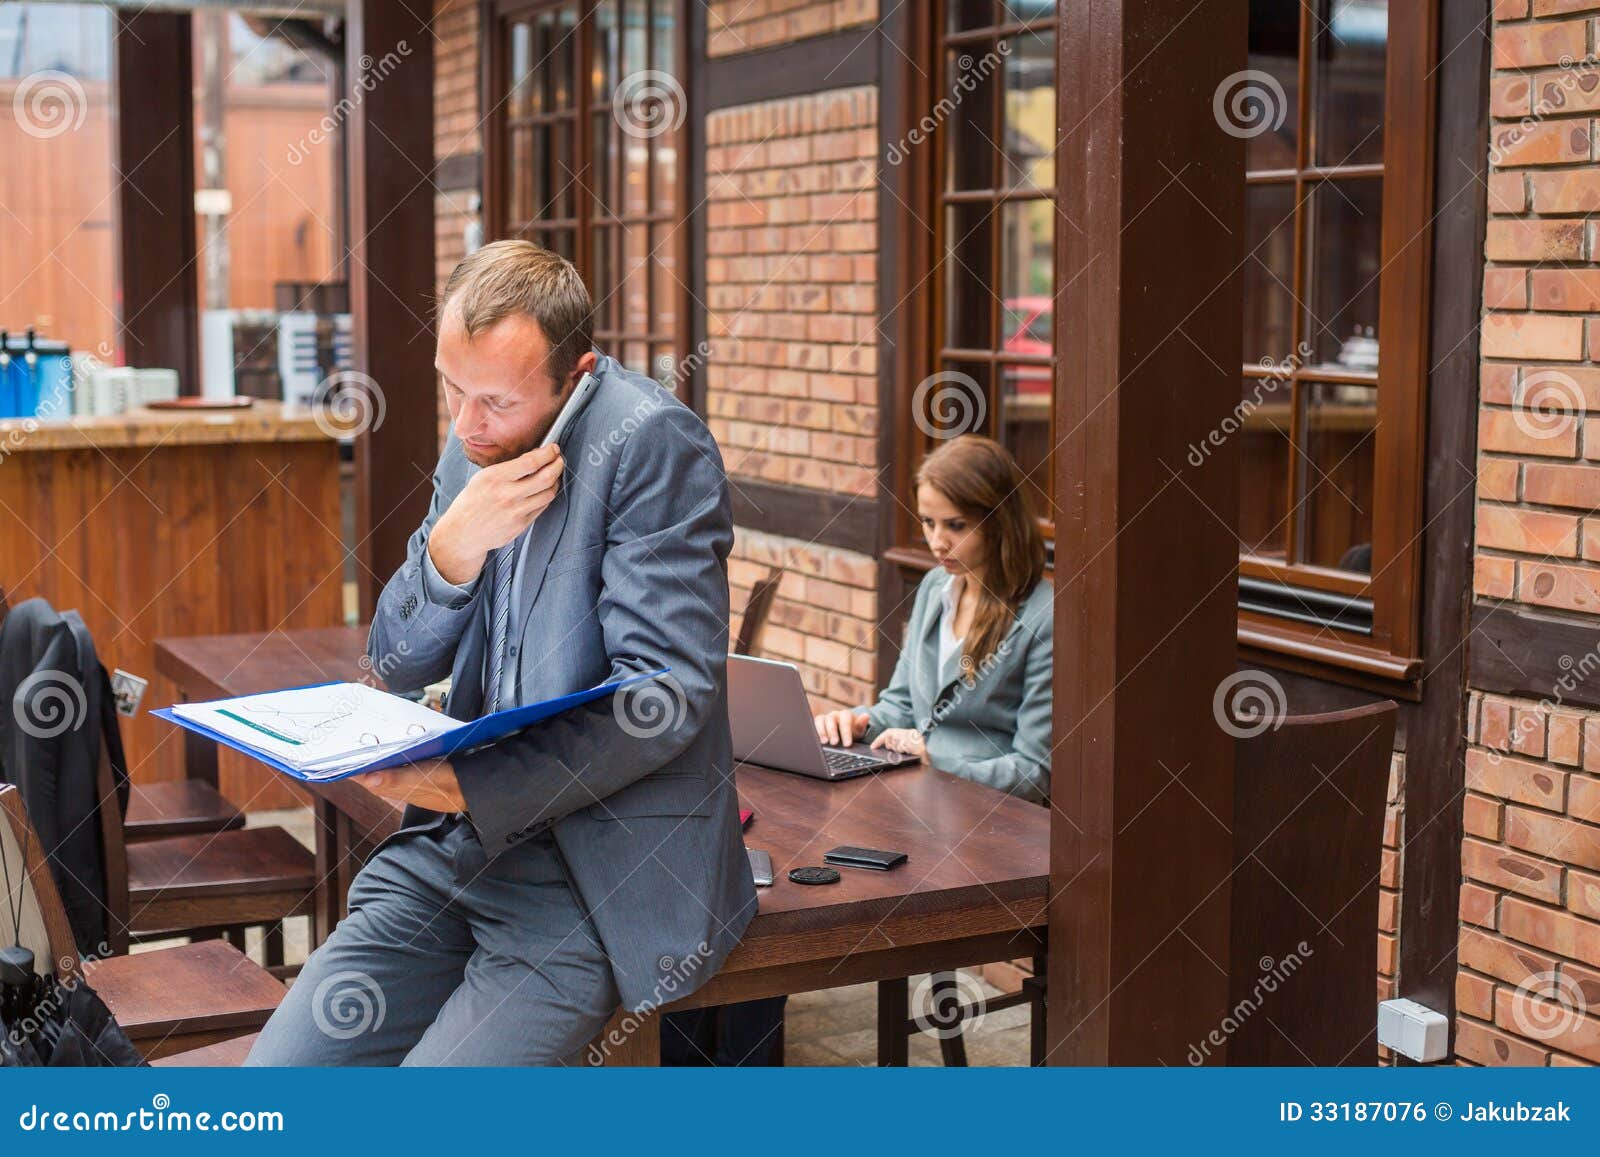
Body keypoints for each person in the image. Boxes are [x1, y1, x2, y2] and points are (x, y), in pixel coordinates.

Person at [247, 240, 756, 1066]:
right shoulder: (472, 443)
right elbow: (398, 658)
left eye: (493, 400)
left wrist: (463, 782)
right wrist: (450, 553)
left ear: (577, 373)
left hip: (590, 883)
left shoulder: (652, 443)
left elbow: (661, 695)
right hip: (452, 858)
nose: (465, 423)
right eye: (451, 387)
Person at [816, 434, 1052, 803]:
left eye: (955, 526)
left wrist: (935, 760)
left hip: (990, 823)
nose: (937, 541)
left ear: (999, 521)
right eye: (928, 522)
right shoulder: (935, 586)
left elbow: (1035, 773)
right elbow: (902, 706)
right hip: (916, 802)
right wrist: (856, 723)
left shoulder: (1044, 616)